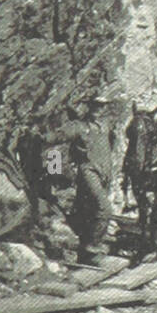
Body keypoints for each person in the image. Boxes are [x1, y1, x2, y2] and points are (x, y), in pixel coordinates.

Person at [63, 98, 114, 265]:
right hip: (88, 171)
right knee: (104, 209)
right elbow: (56, 143)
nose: (98, 109)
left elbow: (109, 147)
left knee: (87, 212)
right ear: (89, 107)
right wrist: (55, 170)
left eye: (101, 106)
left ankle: (84, 256)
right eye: (95, 106)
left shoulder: (106, 126)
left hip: (105, 173)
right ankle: (92, 250)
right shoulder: (79, 127)